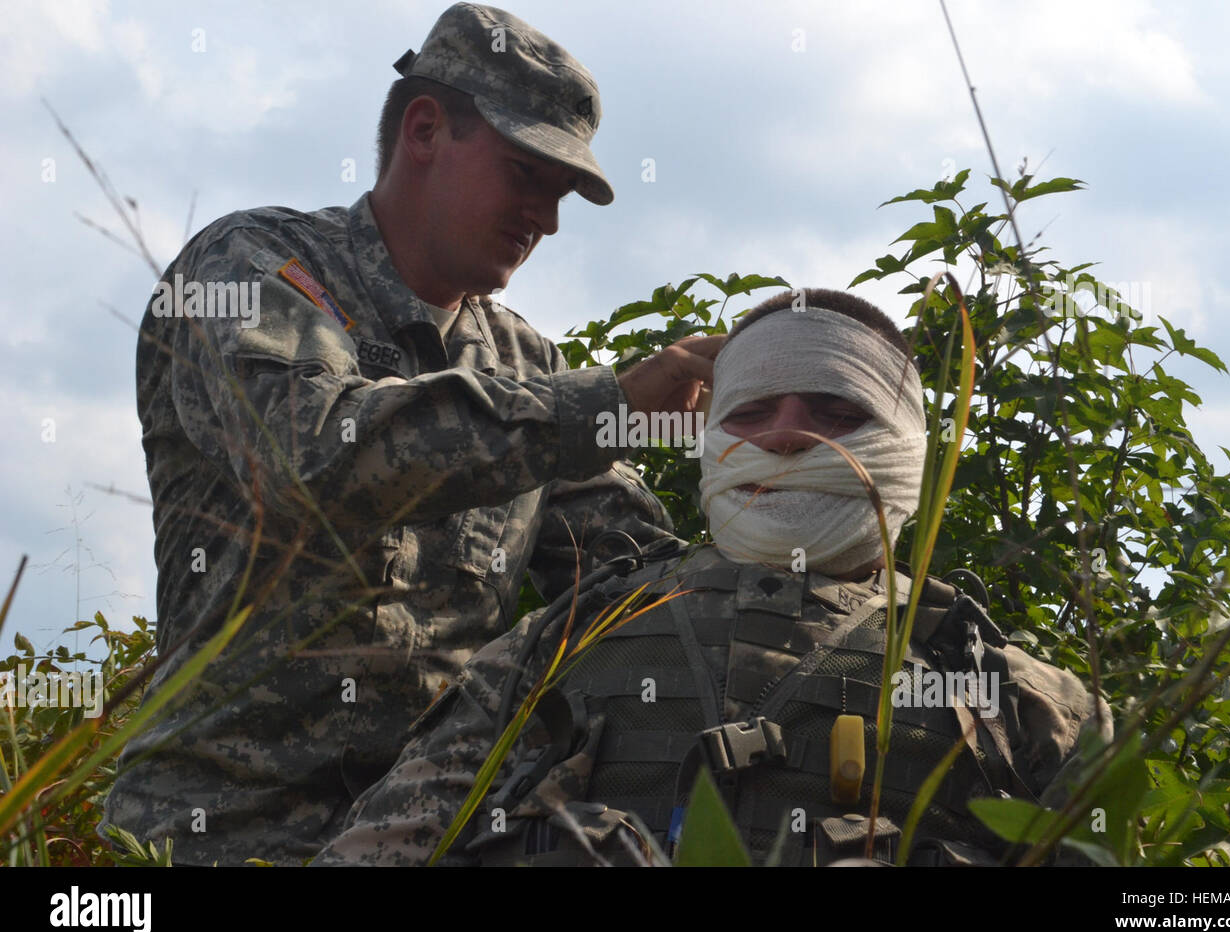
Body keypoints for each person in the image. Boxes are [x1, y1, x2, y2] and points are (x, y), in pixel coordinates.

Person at [99, 3, 720, 866]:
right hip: (222, 838)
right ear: (425, 128)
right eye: (526, 175)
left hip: (435, 839)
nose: (546, 218)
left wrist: (787, 483)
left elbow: (629, 582)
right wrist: (603, 403)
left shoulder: (524, 357)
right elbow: (312, 455)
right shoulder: (247, 268)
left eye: (562, 194)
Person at [310, 288, 1114, 867]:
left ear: (907, 449)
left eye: (838, 413)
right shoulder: (564, 640)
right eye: (752, 412)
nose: (791, 434)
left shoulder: (1020, 699)